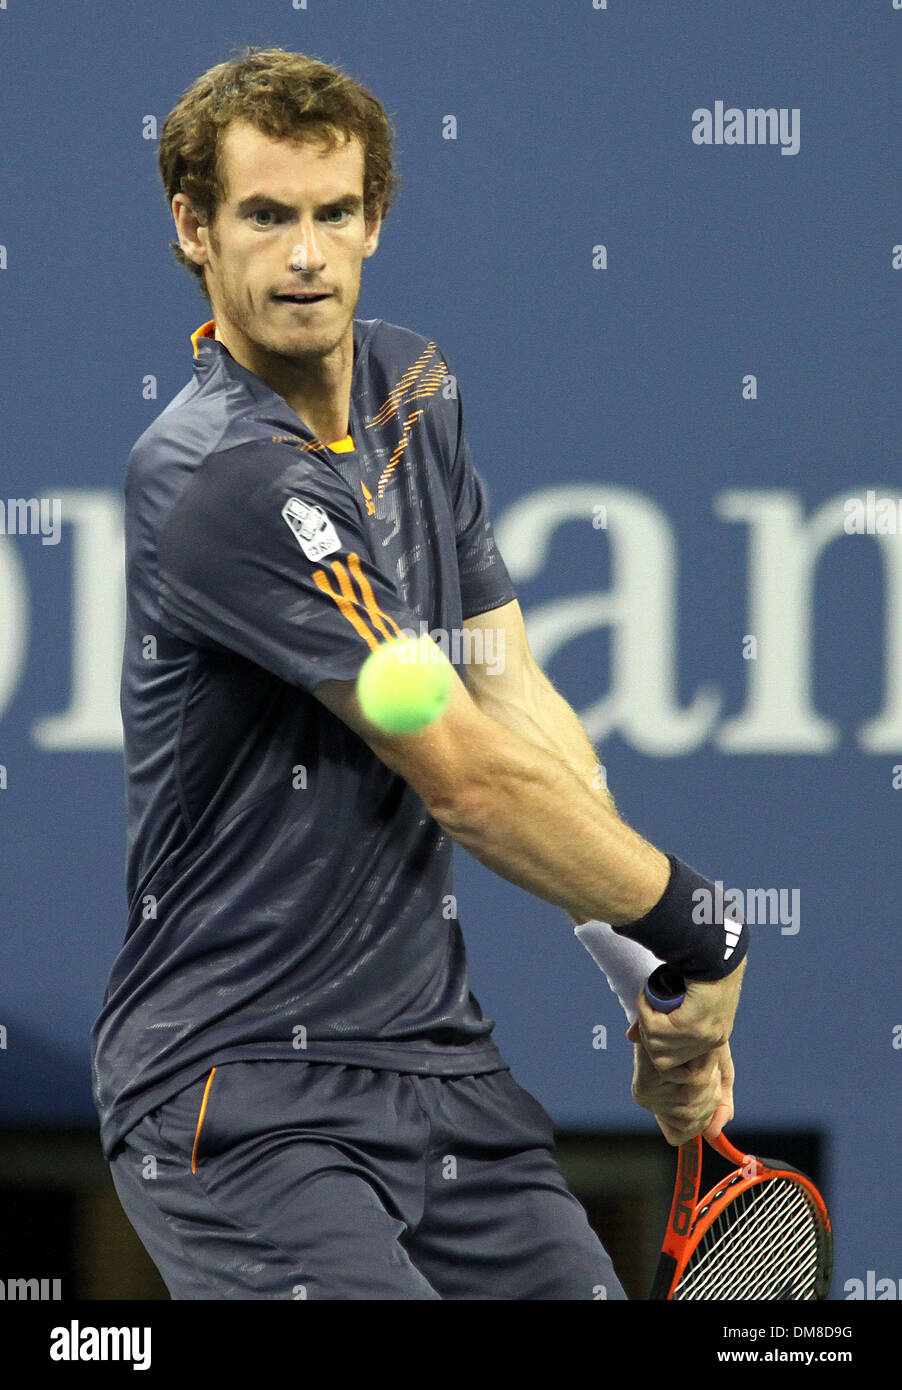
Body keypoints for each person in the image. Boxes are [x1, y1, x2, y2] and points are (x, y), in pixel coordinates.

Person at [91, 45, 746, 1301]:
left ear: (374, 218)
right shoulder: (221, 474)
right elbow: (468, 780)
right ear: (193, 228)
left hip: (438, 1067)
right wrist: (699, 927)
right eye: (265, 216)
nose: (305, 256)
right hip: (241, 1090)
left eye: (335, 214)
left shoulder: (412, 387)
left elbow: (510, 694)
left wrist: (647, 976)